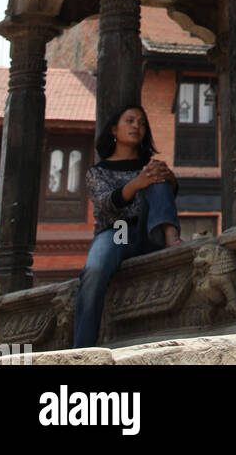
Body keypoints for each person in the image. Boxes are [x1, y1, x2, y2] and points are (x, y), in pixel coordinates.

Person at [72, 103, 181, 348]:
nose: (137, 127)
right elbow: (108, 205)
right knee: (94, 270)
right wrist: (138, 183)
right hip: (117, 231)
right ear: (114, 129)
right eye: (130, 121)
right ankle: (82, 349)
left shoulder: (149, 166)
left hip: (150, 230)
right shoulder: (97, 171)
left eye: (141, 123)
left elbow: (166, 196)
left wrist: (167, 178)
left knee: (157, 176)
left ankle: (172, 239)